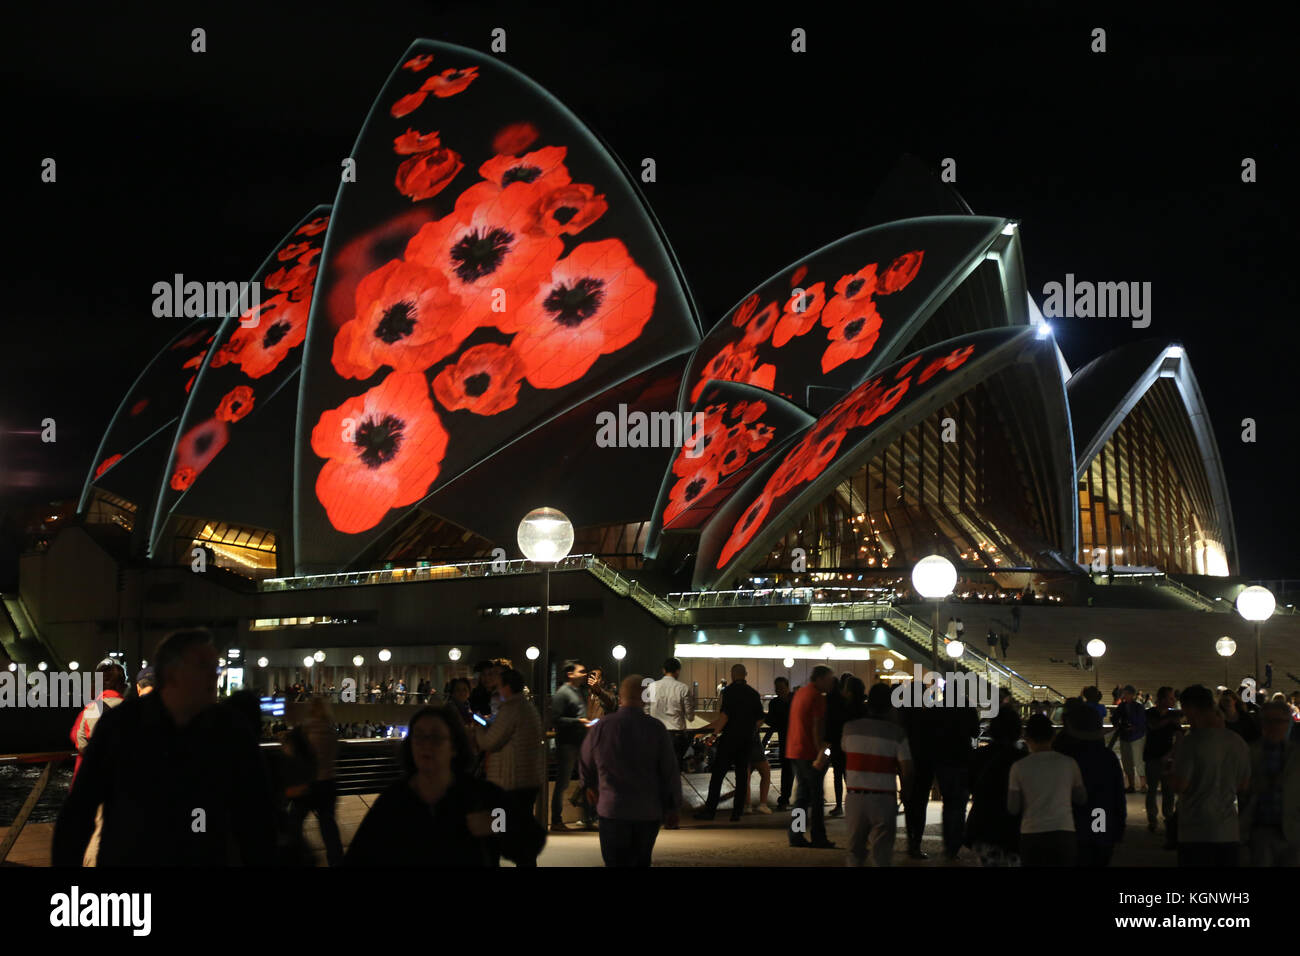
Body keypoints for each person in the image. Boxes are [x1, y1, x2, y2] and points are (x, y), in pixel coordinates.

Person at [52, 628, 277, 866]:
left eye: (216, 668)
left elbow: (256, 814)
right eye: (204, 666)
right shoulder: (120, 725)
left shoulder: (232, 729)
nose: (215, 676)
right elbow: (79, 810)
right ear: (172, 673)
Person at [344, 705, 542, 866]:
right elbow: (359, 857)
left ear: (454, 747)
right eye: (419, 736)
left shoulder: (480, 795)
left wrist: (497, 825)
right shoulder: (393, 801)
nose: (426, 744)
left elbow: (531, 838)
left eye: (436, 737)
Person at [580, 675, 681, 866]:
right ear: (645, 698)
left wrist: (588, 785)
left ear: (620, 697)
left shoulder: (602, 727)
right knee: (641, 861)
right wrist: (673, 806)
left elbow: (586, 759)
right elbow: (669, 770)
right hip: (647, 810)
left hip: (612, 809)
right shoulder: (656, 729)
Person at [1171, 684, 1251, 867]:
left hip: (1195, 830)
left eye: (1185, 711)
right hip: (1228, 830)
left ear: (1192, 709)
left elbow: (1180, 785)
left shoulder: (1191, 743)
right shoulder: (1238, 742)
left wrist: (1168, 774)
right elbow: (1244, 784)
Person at [473, 667, 544, 866]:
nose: (498, 691)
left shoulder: (511, 708)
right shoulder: (529, 708)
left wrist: (479, 730)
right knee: (521, 835)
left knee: (497, 834)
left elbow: (490, 742)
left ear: (507, 687)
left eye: (499, 686)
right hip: (527, 783)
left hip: (507, 785)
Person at [840, 681, 912, 866]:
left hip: (855, 796)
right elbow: (907, 769)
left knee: (854, 851)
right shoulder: (897, 733)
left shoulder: (849, 728)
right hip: (884, 798)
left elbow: (843, 749)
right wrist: (905, 791)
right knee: (882, 854)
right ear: (890, 706)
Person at [1007, 713, 1086, 866]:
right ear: (1053, 736)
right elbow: (1081, 798)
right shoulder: (1068, 763)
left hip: (1031, 833)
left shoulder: (1018, 767)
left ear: (1027, 738)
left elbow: (1013, 808)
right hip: (1064, 831)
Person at [1055, 703, 1126, 866]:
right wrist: (1119, 827)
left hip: (1070, 825)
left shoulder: (1062, 756)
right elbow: (1118, 796)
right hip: (1100, 820)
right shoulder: (1108, 758)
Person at [695, 663, 763, 822]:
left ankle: (710, 811)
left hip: (729, 739)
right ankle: (737, 812)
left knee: (718, 775)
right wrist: (750, 731)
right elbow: (760, 719)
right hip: (746, 741)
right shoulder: (754, 693)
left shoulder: (729, 692)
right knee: (741, 776)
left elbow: (724, 716)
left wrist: (713, 735)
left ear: (732, 675)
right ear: (745, 674)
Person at [1239, 701, 1300, 866]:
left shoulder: (1295, 755)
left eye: (1279, 722)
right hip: (1259, 829)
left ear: (1288, 724)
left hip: (1291, 830)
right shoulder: (1248, 752)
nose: (1273, 727)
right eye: (1268, 721)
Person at [965, 707, 1026, 866]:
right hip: (1015, 826)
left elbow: (969, 784)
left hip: (984, 822)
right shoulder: (1024, 759)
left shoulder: (979, 755)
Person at [287, 695, 344, 866]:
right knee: (329, 827)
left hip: (310, 783)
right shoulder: (331, 731)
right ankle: (336, 860)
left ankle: (301, 856)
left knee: (294, 821)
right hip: (328, 783)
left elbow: (292, 753)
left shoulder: (305, 730)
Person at [786, 666, 836, 848]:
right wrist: (820, 753)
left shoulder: (801, 693)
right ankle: (818, 836)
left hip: (795, 750)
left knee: (802, 795)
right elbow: (816, 728)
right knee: (816, 796)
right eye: (830, 679)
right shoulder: (817, 697)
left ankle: (796, 834)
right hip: (809, 752)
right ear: (820, 679)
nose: (832, 683)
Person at [934, 695, 979, 861]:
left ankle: (948, 844)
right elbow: (975, 731)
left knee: (948, 804)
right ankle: (955, 844)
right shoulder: (967, 707)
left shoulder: (938, 708)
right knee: (960, 806)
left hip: (943, 760)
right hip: (962, 760)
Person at [550, 660, 591, 831]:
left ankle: (589, 818)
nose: (584, 674)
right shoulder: (563, 693)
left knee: (587, 779)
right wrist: (578, 721)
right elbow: (555, 719)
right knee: (563, 782)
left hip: (580, 741)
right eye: (581, 671)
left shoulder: (578, 691)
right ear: (570, 674)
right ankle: (556, 820)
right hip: (567, 742)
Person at [70, 661, 127, 783]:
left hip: (94, 781)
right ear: (122, 686)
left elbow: (80, 740)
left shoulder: (91, 709)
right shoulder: (133, 709)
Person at [1143, 686, 1182, 835]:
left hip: (1167, 758)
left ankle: (1168, 817)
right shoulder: (1150, 713)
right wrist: (1170, 719)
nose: (1173, 700)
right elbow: (1153, 726)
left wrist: (1171, 754)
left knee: (1169, 791)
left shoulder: (1174, 716)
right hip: (1152, 756)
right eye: (1171, 698)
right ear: (1162, 699)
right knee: (1151, 789)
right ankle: (1152, 819)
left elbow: (1179, 736)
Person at [1111, 685, 1147, 793]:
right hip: (1126, 735)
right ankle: (1132, 784)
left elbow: (1142, 722)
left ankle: (1143, 785)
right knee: (1127, 762)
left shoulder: (1138, 707)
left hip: (1136, 736)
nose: (1124, 696)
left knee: (1138, 760)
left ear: (1131, 695)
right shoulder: (1122, 706)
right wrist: (1118, 724)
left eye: (1126, 694)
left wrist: (1134, 727)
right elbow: (1115, 719)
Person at [765, 676, 794, 808]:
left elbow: (771, 721)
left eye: (780, 688)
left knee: (787, 770)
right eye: (777, 689)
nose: (778, 691)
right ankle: (786, 797)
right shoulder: (795, 699)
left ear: (787, 687)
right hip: (790, 740)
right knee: (789, 770)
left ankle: (785, 798)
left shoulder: (775, 704)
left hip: (786, 739)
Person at [824, 675, 848, 817]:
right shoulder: (846, 701)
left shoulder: (829, 700)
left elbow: (828, 722)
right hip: (847, 742)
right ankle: (849, 804)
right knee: (847, 775)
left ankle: (839, 805)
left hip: (835, 743)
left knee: (837, 775)